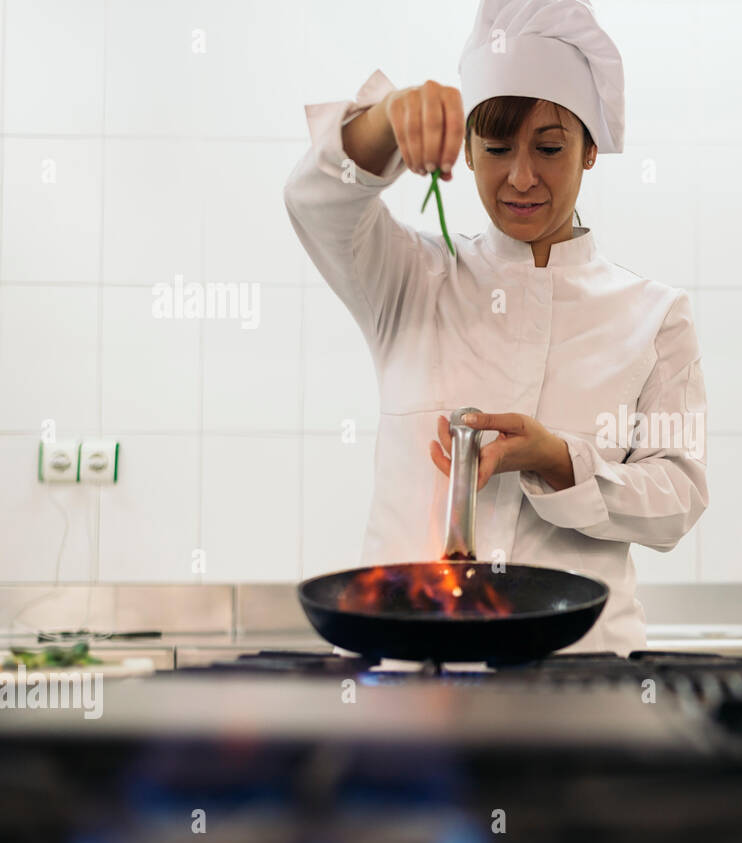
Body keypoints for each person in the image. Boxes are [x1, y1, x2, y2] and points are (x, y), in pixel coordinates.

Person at [283, 0, 708, 655]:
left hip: (580, 674)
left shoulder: (652, 315)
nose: (520, 177)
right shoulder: (408, 277)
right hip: (408, 666)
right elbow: (315, 201)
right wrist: (387, 118)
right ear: (469, 150)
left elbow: (678, 496)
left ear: (590, 148)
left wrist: (559, 460)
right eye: (497, 147)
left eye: (548, 148)